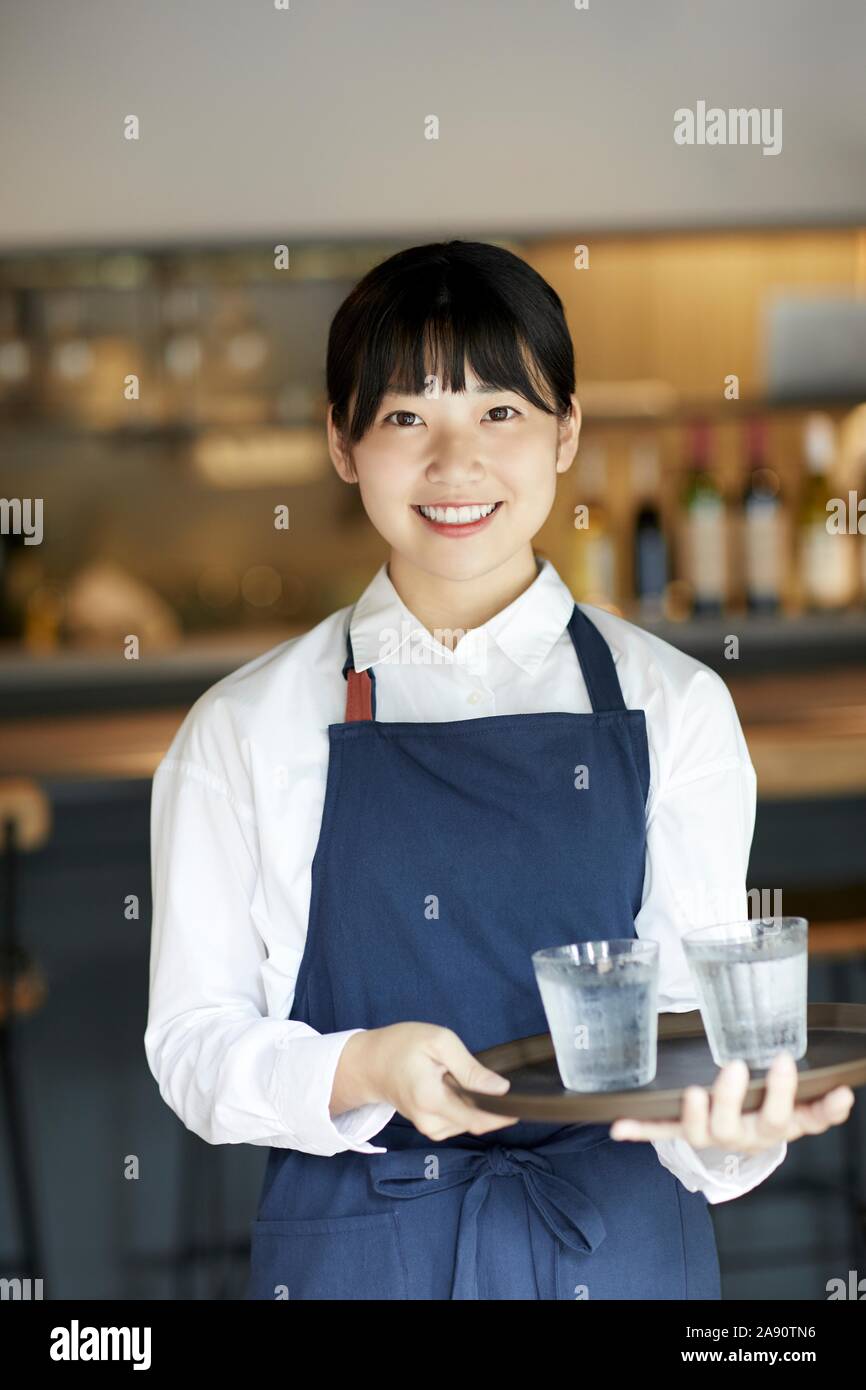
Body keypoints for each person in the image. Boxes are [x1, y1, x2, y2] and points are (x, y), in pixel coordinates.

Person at [146, 240, 854, 1301]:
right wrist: (360, 1069)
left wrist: (732, 1137)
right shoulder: (244, 728)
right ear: (340, 442)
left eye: (499, 413)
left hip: (613, 1255)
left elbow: (685, 1049)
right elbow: (194, 1046)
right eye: (403, 418)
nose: (453, 463)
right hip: (358, 1258)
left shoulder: (672, 708)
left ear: (565, 430)